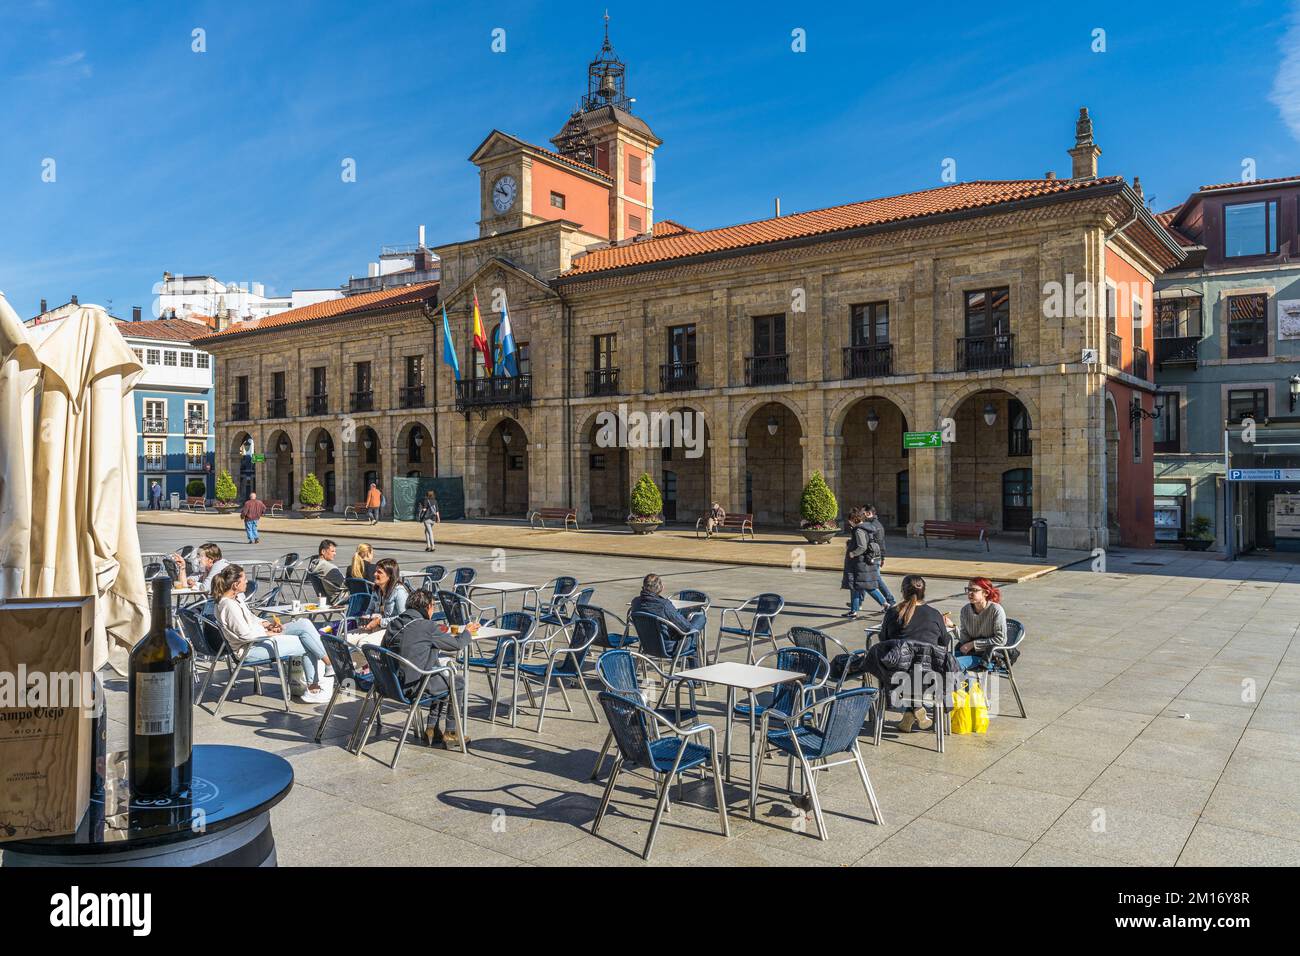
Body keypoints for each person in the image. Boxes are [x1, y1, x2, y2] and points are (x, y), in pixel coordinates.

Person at [212, 564, 331, 704]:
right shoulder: (228, 606)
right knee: (306, 643)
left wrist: (268, 624)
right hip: (249, 649)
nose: (247, 582)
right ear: (235, 584)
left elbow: (252, 618)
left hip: (259, 640)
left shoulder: (235, 599)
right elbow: (245, 635)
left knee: (304, 624)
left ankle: (325, 669)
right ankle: (316, 684)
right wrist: (269, 633)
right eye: (244, 579)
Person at [382, 588, 471, 749]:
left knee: (437, 673)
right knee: (457, 682)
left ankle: (431, 729)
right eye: (433, 606)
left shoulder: (394, 623)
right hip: (414, 686)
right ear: (428, 606)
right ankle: (451, 733)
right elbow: (456, 645)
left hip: (391, 684)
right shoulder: (426, 626)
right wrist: (468, 633)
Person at [869, 574, 955, 733]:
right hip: (929, 679)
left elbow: (884, 640)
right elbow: (944, 641)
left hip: (896, 678)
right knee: (916, 669)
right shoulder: (934, 614)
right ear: (924, 591)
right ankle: (915, 709)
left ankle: (911, 712)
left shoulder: (893, 613)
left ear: (902, 591)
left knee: (905, 667)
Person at [628, 573, 706, 648]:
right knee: (700, 619)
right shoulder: (664, 605)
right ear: (661, 588)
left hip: (646, 645)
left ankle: (697, 654)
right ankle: (700, 658)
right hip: (667, 647)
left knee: (693, 641)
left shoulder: (635, 602)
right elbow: (686, 628)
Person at [842, 507, 890, 618]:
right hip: (864, 563)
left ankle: (884, 604)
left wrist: (853, 553)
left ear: (854, 519)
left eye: (850, 520)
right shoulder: (867, 528)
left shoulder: (859, 530)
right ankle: (855, 610)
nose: (849, 522)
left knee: (859, 586)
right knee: (863, 586)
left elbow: (862, 546)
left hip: (859, 563)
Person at [956, 577, 1008, 670]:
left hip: (989, 657)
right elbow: (965, 640)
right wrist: (952, 627)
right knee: (942, 660)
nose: (969, 593)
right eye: (968, 589)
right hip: (971, 652)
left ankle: (964, 684)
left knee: (954, 665)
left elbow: (1001, 640)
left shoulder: (996, 610)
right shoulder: (965, 610)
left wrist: (973, 644)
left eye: (974, 590)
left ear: (986, 593)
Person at [359, 558, 408, 636]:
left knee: (362, 643)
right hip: (376, 628)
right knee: (345, 638)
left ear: (390, 576)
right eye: (375, 571)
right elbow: (370, 610)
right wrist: (365, 619)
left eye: (379, 572)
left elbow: (404, 618)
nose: (374, 574)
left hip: (393, 632)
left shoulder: (399, 591)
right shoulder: (376, 589)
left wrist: (379, 622)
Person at [862, 504, 897, 604]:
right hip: (873, 556)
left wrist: (882, 557)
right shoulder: (870, 524)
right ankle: (858, 602)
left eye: (863, 513)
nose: (861, 514)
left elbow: (880, 543)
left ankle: (891, 601)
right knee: (862, 579)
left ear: (869, 513)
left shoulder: (875, 526)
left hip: (874, 557)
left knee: (876, 580)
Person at [306, 539, 347, 605]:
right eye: (332, 551)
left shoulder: (314, 564)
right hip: (338, 598)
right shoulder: (328, 567)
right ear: (323, 551)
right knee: (366, 593)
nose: (335, 553)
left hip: (325, 599)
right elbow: (344, 584)